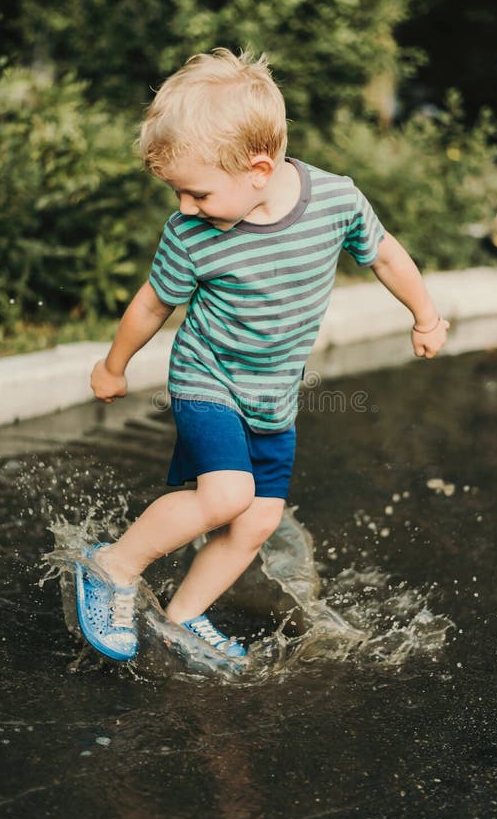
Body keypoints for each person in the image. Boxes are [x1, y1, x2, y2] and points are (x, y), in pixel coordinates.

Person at [74, 49, 449, 664]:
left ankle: (184, 615)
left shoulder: (335, 202)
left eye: (196, 192)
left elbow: (383, 254)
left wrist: (425, 315)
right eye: (178, 194)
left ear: (258, 168)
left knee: (255, 521)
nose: (186, 207)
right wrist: (114, 365)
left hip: (274, 396)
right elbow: (151, 305)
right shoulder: (191, 234)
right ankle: (112, 565)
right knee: (224, 496)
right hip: (207, 378)